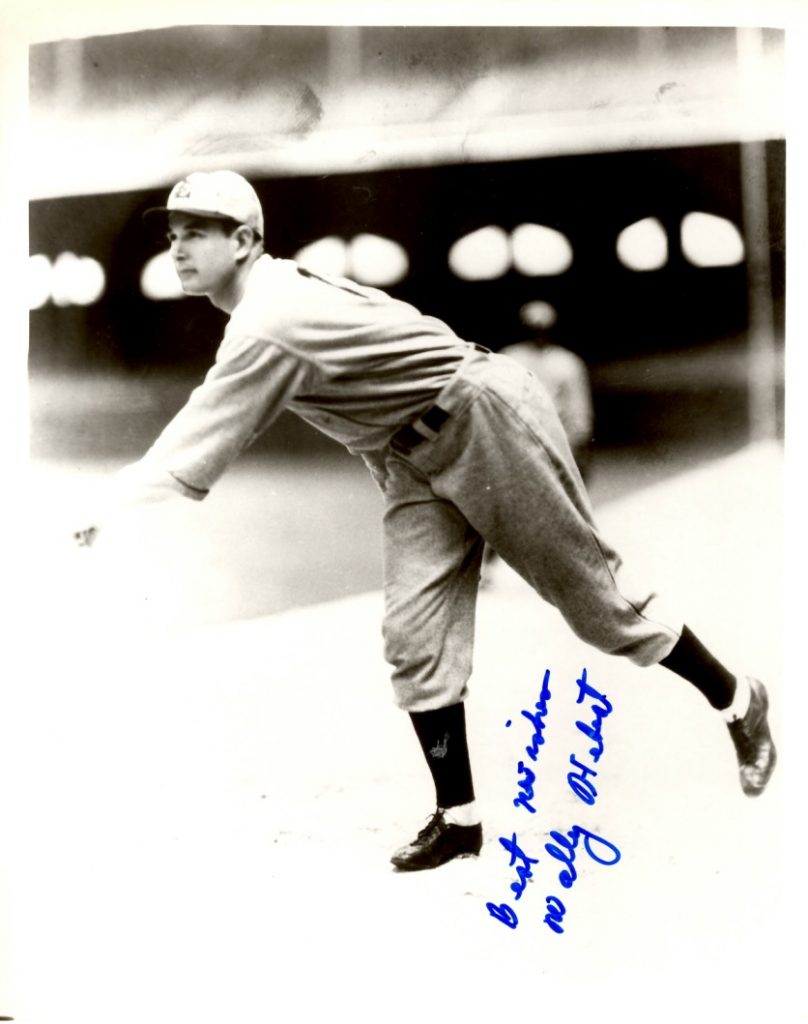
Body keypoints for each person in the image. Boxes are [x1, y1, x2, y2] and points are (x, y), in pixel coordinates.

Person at [73, 171, 777, 872]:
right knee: (414, 638)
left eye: (196, 231)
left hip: (483, 417)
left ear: (246, 239)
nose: (178, 247)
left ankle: (738, 700)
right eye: (173, 234)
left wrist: (105, 503)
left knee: (600, 609)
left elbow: (191, 449)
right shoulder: (277, 290)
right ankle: (459, 820)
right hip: (413, 455)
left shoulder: (268, 319)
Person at [499, 300, 594, 481]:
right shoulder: (509, 357)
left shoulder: (567, 361)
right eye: (534, 328)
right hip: (520, 439)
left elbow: (578, 407)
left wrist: (580, 444)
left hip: (558, 440)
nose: (538, 334)